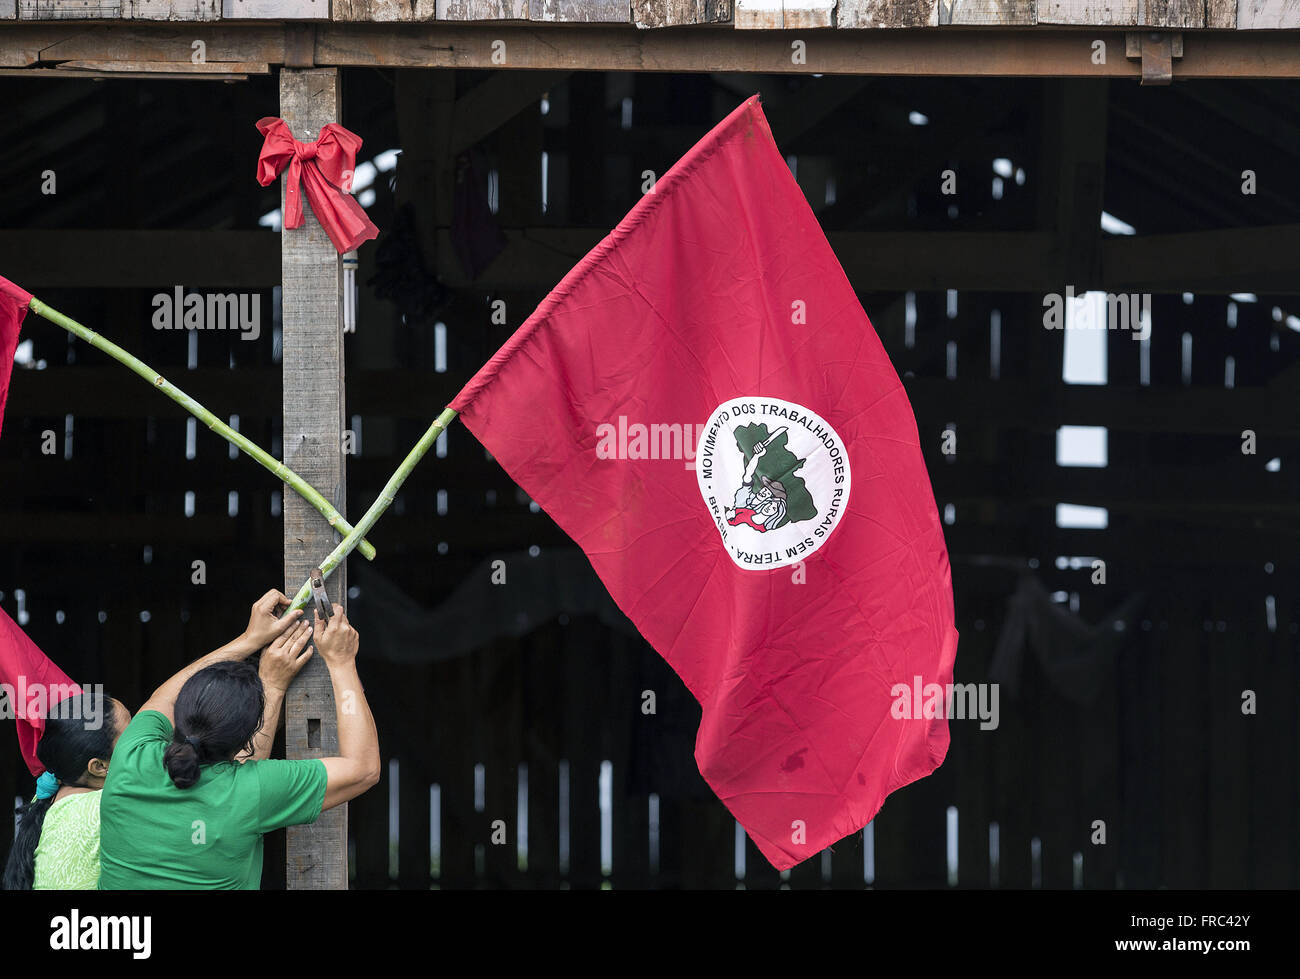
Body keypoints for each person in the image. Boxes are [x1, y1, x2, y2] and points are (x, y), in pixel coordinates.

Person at [98, 589, 380, 889]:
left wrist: (249, 640)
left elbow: (162, 699)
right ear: (246, 741)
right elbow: (364, 768)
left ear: (181, 712)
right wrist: (341, 661)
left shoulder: (131, 755)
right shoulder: (251, 790)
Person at [2, 690, 132, 890]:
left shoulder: (50, 795)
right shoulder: (106, 807)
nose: (141, 739)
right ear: (99, 767)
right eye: (131, 735)